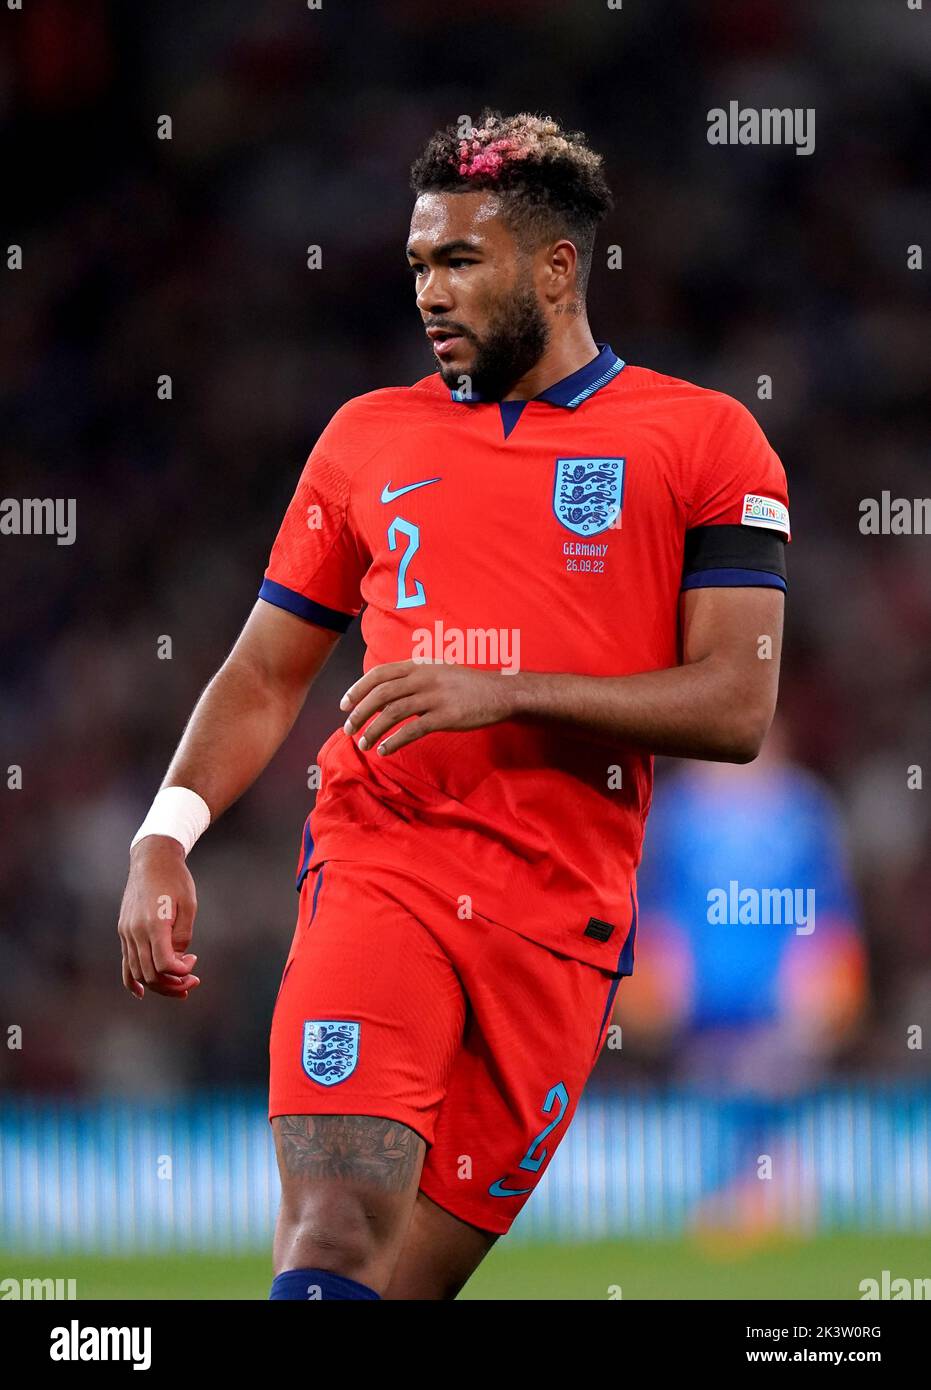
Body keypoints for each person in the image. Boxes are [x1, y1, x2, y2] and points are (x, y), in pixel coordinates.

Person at [117, 109, 791, 1300]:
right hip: (382, 867)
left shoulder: (705, 441)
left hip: (559, 924)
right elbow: (266, 672)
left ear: (555, 266)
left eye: (459, 262)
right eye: (419, 264)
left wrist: (506, 690)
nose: (428, 291)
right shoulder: (365, 438)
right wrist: (166, 833)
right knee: (329, 1235)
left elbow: (735, 704)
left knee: (397, 1281)